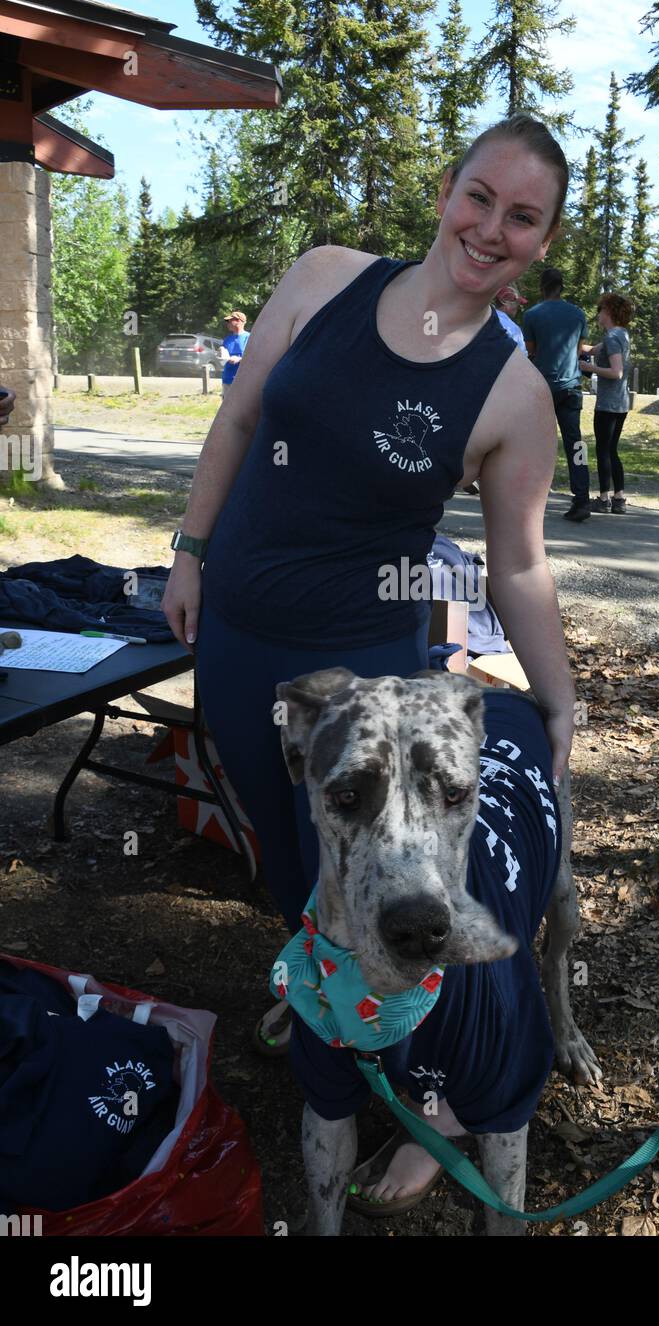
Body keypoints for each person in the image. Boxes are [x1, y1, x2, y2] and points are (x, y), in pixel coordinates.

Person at [162, 110, 576, 983]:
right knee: (281, 845)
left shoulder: (514, 396)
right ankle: (317, 993)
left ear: (541, 241)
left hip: (361, 668)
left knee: (368, 862)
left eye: (521, 217)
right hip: (236, 636)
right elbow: (238, 418)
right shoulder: (323, 280)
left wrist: (558, 699)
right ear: (445, 194)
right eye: (480, 197)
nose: (490, 229)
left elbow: (518, 564)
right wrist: (190, 551)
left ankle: (377, 1058)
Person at [521, 267, 592, 522]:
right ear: (562, 287)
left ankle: (529, 499)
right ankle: (582, 499)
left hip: (542, 388)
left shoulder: (532, 315)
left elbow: (531, 351)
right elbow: (580, 349)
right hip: (571, 387)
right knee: (576, 444)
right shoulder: (577, 314)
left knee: (536, 444)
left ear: (542, 287)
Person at [581, 293, 633, 513]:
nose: (598, 314)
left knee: (603, 450)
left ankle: (603, 499)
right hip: (621, 403)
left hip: (608, 404)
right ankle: (619, 498)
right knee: (612, 450)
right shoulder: (621, 334)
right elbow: (592, 350)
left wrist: (590, 369)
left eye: (600, 310)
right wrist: (574, 343)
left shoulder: (612, 337)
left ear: (609, 312)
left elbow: (616, 372)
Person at [218, 310, 250, 387]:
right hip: (227, 380)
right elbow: (222, 359)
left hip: (244, 380)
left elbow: (255, 357)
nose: (227, 323)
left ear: (238, 321)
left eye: (230, 321)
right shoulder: (227, 339)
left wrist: (239, 359)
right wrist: (220, 353)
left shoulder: (249, 338)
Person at [494, 283, 528, 353]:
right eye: (516, 302)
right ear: (504, 302)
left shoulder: (484, 319)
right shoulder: (512, 328)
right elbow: (522, 358)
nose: (518, 306)